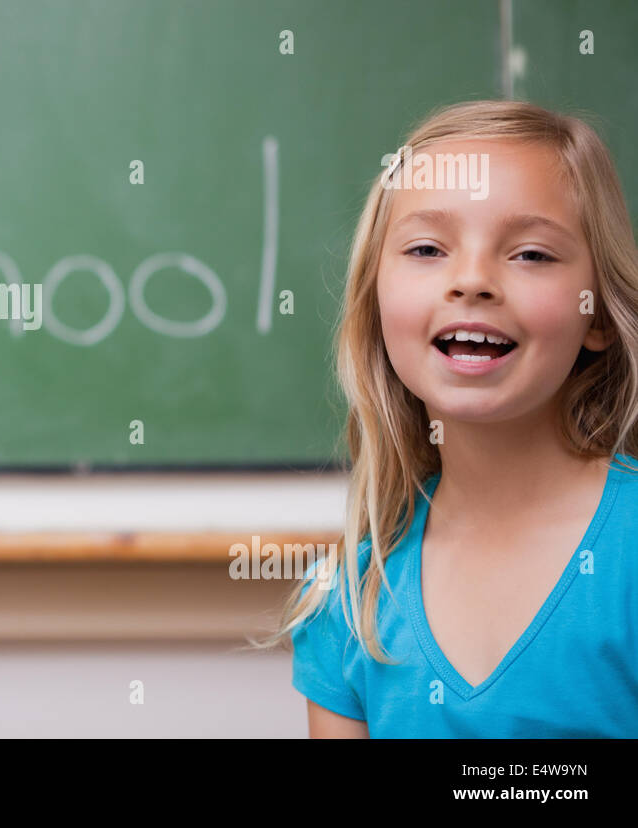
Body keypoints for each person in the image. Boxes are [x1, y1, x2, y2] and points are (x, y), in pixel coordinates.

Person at [262, 100, 638, 737]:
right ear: (376, 305)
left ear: (597, 315)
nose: (472, 280)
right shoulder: (350, 601)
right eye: (428, 248)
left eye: (531, 255)